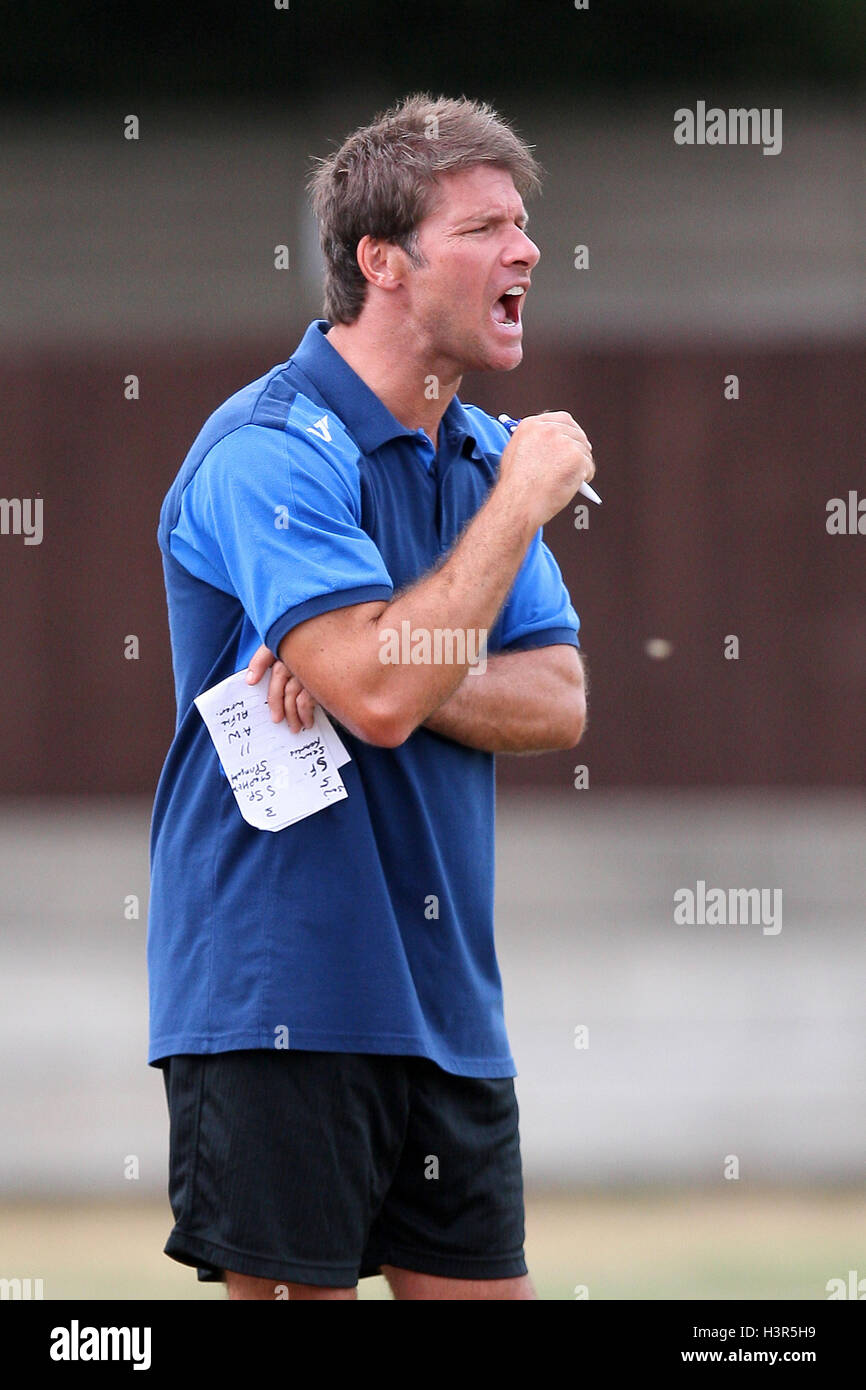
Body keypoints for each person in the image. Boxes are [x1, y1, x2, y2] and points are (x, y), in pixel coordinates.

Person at [147, 92, 595, 1301]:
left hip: (447, 1007)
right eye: (485, 227)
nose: (526, 251)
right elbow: (384, 698)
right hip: (283, 996)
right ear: (380, 263)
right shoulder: (269, 448)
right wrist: (515, 510)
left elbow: (556, 700)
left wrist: (385, 654)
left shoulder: (477, 454)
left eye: (522, 224)